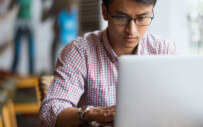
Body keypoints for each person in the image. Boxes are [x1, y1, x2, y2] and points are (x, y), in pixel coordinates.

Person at [39, 0, 178, 126]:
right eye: (121, 17)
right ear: (104, 12)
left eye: (142, 18)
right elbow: (49, 113)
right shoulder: (80, 52)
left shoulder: (163, 49)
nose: (131, 30)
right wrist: (94, 113)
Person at [41, 0, 78, 71]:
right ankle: (54, 71)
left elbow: (44, 18)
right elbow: (44, 18)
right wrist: (44, 4)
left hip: (68, 35)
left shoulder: (59, 3)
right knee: (55, 52)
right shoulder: (57, 3)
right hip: (59, 35)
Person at [9, 0, 35, 74]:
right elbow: (10, 8)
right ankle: (12, 73)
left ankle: (32, 74)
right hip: (19, 23)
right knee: (17, 52)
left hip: (29, 22)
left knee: (31, 53)